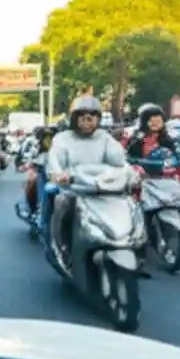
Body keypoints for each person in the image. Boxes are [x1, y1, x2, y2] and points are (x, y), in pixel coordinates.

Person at [45, 96, 128, 254]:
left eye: (91, 118)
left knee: (130, 204)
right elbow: (55, 163)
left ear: (98, 119)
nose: (87, 122)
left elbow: (119, 161)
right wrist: (59, 175)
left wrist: (128, 173)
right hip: (73, 190)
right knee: (61, 203)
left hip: (103, 190)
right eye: (82, 118)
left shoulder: (105, 138)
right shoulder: (63, 139)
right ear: (74, 119)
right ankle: (62, 246)